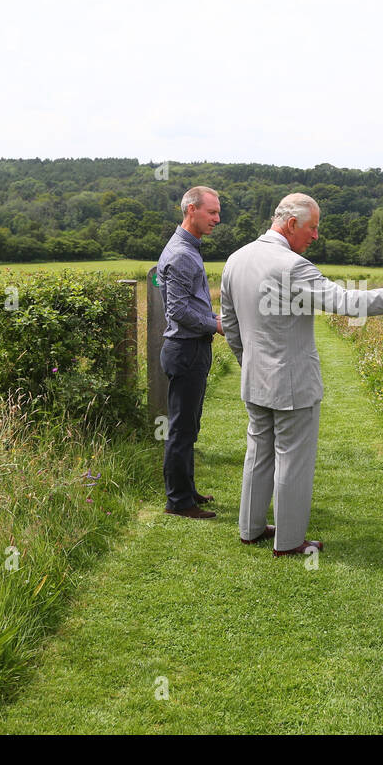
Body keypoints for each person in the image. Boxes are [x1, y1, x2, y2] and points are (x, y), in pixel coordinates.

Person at [220, 193, 383, 555]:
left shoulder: (235, 260)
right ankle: (289, 543)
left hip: (255, 381)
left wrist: (248, 364)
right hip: (292, 385)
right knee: (293, 458)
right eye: (313, 227)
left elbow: (229, 324)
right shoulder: (293, 266)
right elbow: (348, 303)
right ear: (291, 224)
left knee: (258, 453)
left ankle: (251, 529)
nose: (316, 236)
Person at [156, 185, 224, 519]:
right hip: (186, 350)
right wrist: (216, 325)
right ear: (191, 210)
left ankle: (188, 490)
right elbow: (179, 311)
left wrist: (211, 317)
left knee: (189, 425)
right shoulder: (182, 254)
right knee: (181, 429)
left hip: (189, 348)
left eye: (217, 212)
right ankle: (178, 502)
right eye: (211, 212)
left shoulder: (186, 249)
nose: (217, 218)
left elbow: (186, 305)